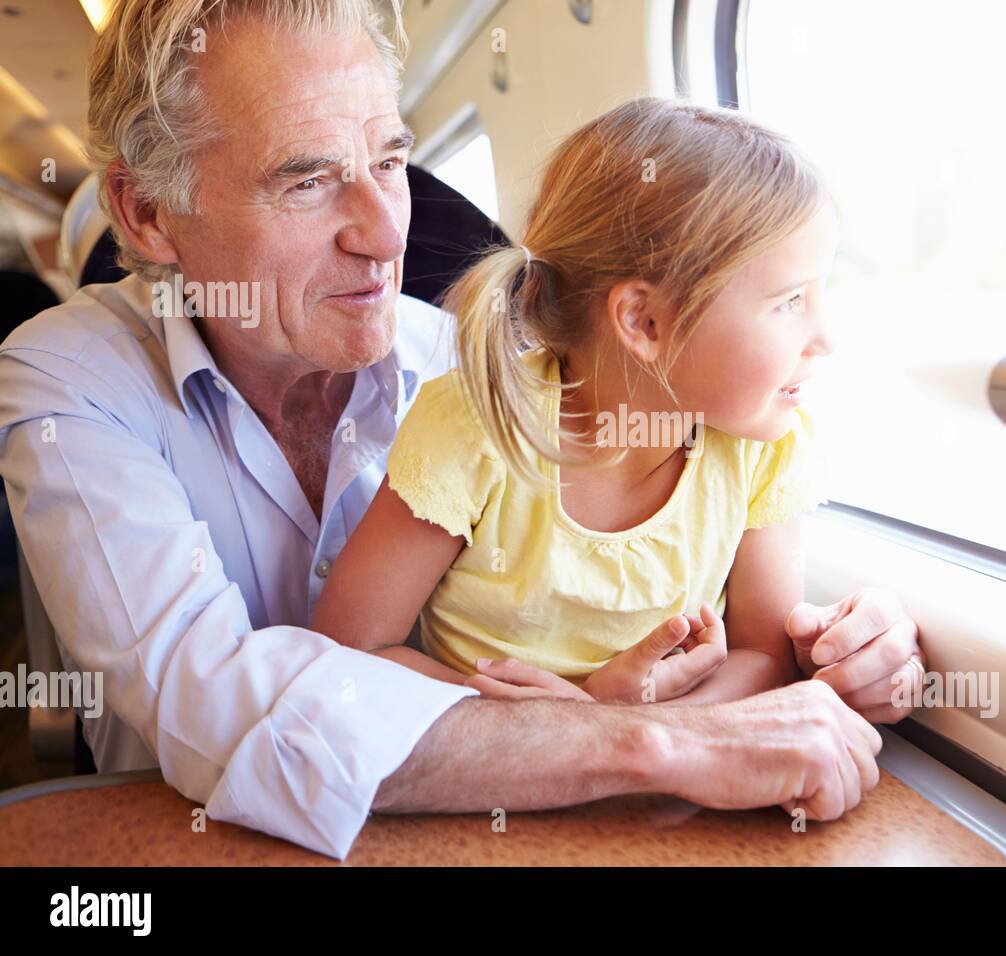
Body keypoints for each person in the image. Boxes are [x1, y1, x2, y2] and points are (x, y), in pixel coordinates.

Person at [0, 0, 923, 860]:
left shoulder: (489, 368)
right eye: (308, 178)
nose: (382, 231)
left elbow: (681, 585)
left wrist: (841, 642)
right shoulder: (70, 380)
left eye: (392, 162)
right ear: (148, 213)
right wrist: (647, 741)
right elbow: (212, 708)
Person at [311, 97, 840, 709]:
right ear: (644, 322)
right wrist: (570, 721)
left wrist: (629, 724)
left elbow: (765, 654)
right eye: (790, 302)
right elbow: (350, 649)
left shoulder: (764, 447)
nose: (826, 338)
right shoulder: (474, 427)